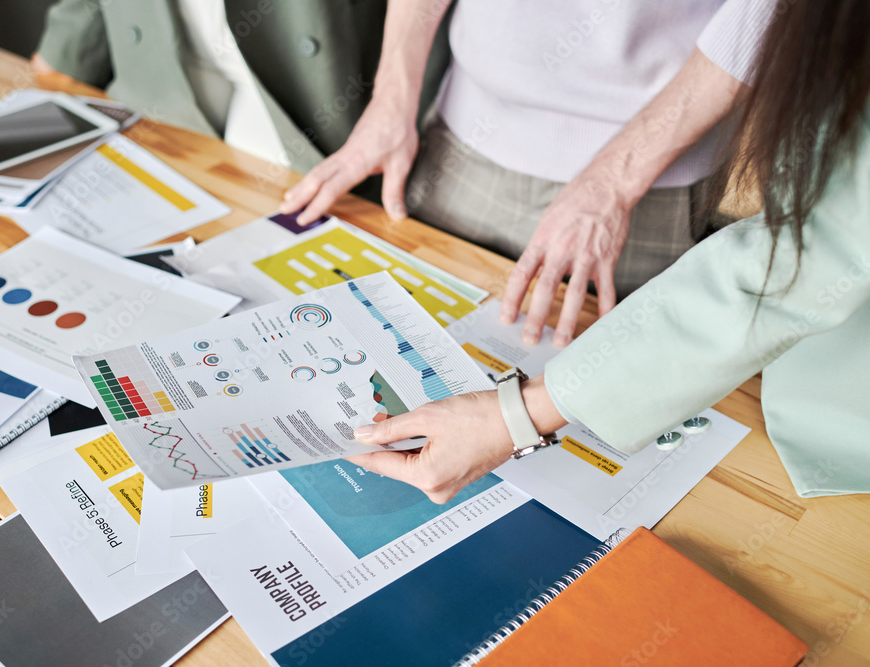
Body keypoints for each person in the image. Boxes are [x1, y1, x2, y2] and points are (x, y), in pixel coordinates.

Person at [347, 0, 870, 501]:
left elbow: (806, 263)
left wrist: (515, 417)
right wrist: (394, 93)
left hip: (668, 193)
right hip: (460, 136)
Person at [281, 0, 774, 348]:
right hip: (454, 154)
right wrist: (392, 99)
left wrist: (612, 183)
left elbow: (769, 14)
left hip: (645, 192)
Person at [33, 0, 450, 177]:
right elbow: (57, 66)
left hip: (302, 92)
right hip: (160, 80)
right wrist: (65, 50)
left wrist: (395, 105)